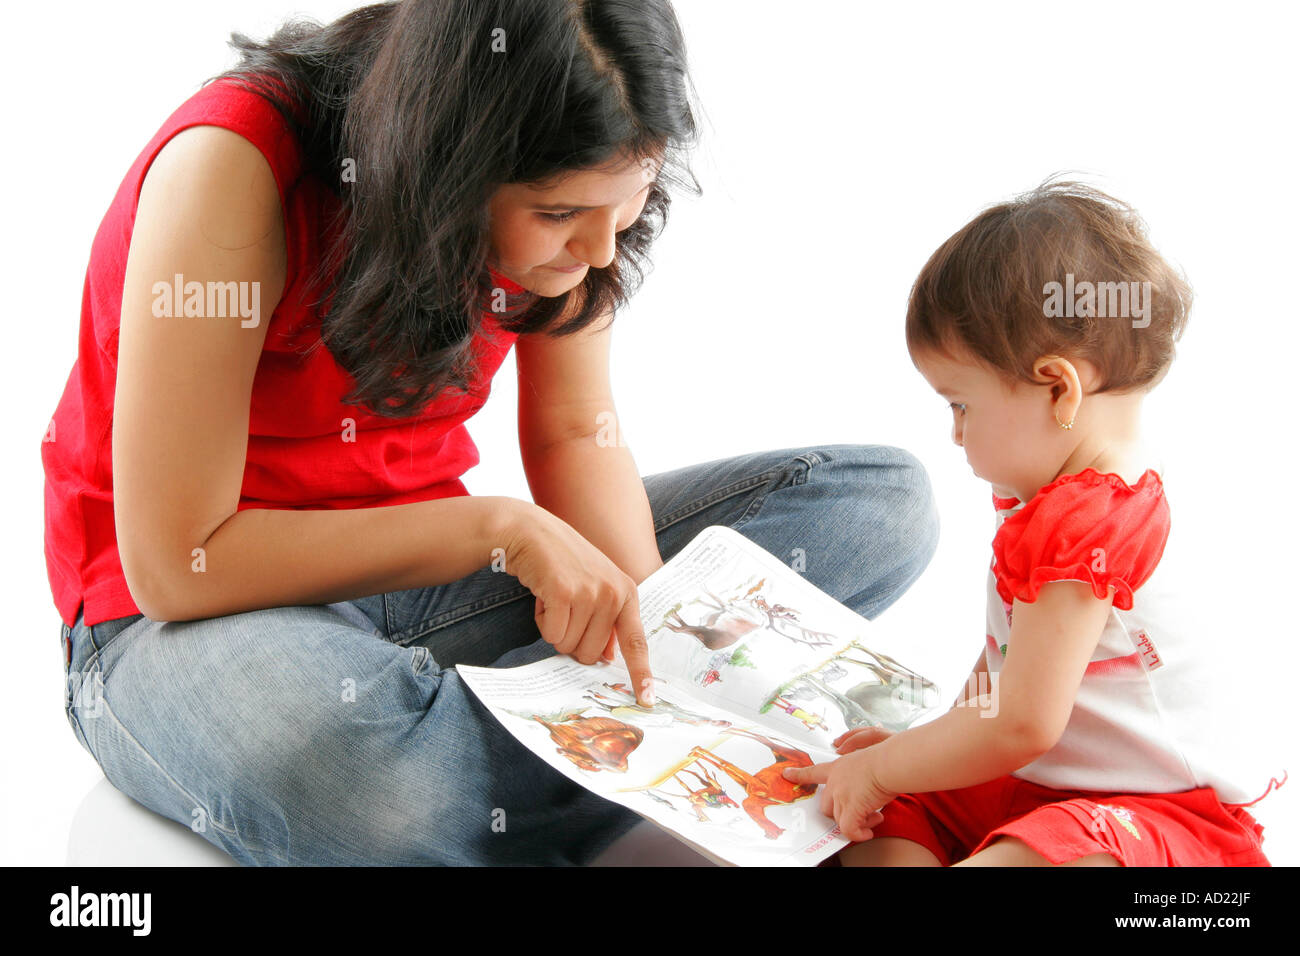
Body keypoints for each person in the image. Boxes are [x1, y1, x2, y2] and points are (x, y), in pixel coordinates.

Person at [44, 0, 939, 865]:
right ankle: (507, 754)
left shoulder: (587, 206)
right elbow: (177, 563)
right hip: (188, 613)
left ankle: (507, 748)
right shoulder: (231, 167)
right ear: (446, 167)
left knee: (878, 504)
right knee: (376, 796)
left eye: (623, 207)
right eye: (557, 215)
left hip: (426, 587)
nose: (596, 253)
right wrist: (500, 530)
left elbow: (574, 434)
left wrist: (658, 638)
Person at [785, 180, 1283, 867]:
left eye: (961, 405)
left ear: (1059, 389)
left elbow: (1023, 723)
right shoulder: (1049, 491)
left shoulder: (1092, 523)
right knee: (884, 804)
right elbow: (1003, 674)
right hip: (1040, 781)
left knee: (1043, 844)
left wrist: (887, 766)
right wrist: (907, 758)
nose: (955, 434)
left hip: (1156, 812)